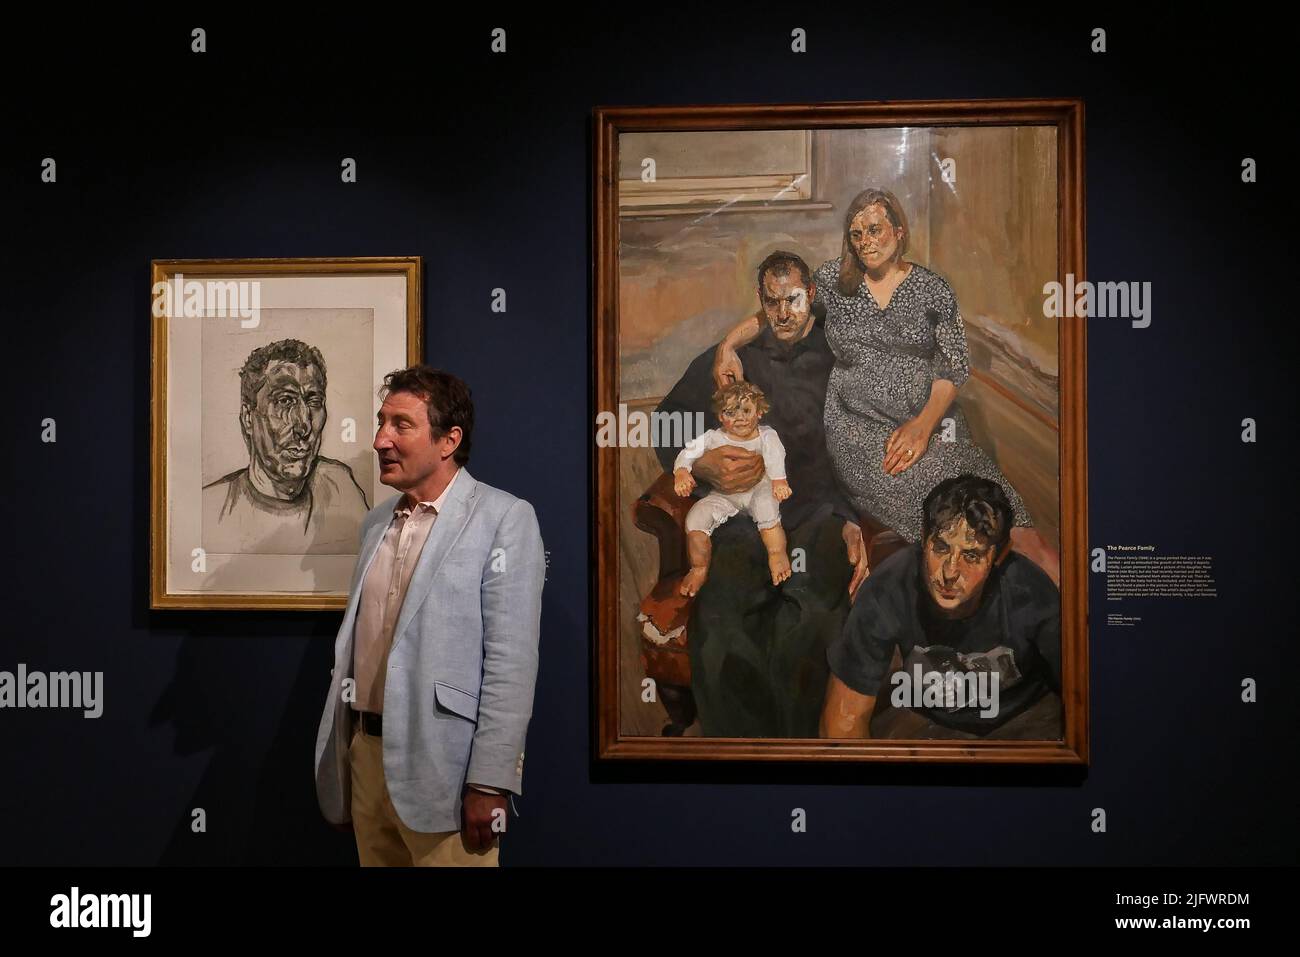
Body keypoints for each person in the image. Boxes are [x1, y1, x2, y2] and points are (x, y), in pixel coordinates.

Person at [713, 188, 1059, 584]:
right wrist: (727, 345)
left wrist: (923, 426)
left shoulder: (933, 289)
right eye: (857, 235)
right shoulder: (833, 282)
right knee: (960, 523)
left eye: (875, 230)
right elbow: (779, 308)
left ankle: (1069, 621)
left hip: (930, 428)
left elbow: (953, 366)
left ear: (898, 230)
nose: (866, 242)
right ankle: (981, 603)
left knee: (1013, 522)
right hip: (859, 434)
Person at [313, 366, 546, 866]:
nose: (379, 440)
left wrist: (490, 780)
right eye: (381, 423)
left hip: (449, 772)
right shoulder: (375, 523)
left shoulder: (505, 518)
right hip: (366, 762)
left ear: (449, 440)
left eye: (401, 425)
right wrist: (348, 762)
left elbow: (512, 663)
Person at [653, 251, 869, 738]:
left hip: (819, 510)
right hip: (741, 515)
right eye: (772, 303)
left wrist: (855, 516)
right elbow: (666, 420)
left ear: (810, 295)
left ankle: (800, 753)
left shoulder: (840, 352)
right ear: (760, 302)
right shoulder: (733, 361)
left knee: (811, 615)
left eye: (792, 299)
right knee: (725, 612)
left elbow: (868, 445)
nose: (783, 313)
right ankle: (741, 753)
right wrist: (701, 463)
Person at [820, 475, 1061, 739]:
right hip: (927, 722)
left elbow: (1085, 700)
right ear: (924, 539)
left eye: (971, 555)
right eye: (941, 547)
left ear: (999, 556)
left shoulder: (1032, 593)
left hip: (1023, 719)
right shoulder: (888, 587)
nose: (950, 571)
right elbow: (843, 721)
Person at [202, 338, 369, 554]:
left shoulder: (341, 487)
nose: (304, 425)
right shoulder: (210, 510)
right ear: (248, 418)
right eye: (284, 401)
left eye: (313, 402)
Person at [673, 381, 792, 595]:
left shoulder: (766, 436)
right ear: (720, 416)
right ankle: (699, 568)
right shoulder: (713, 437)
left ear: (759, 413)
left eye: (746, 410)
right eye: (730, 412)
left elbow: (775, 455)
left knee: (767, 507)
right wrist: (682, 471)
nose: (740, 418)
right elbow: (688, 452)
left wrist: (779, 480)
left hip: (758, 489)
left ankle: (776, 554)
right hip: (725, 495)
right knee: (695, 518)